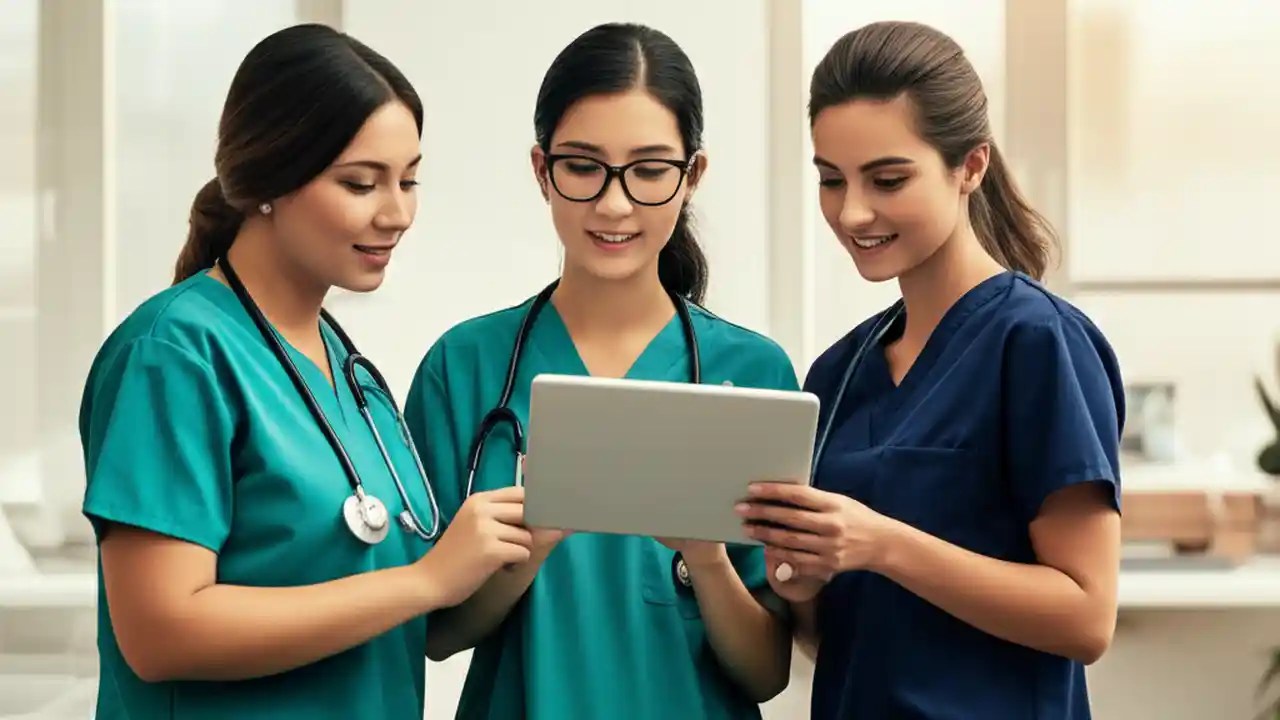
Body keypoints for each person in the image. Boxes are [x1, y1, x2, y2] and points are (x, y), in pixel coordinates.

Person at [77, 24, 532, 720]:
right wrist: (424, 581)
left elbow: (410, 618)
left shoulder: (351, 373)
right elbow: (161, 632)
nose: (398, 213)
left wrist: (518, 546)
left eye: (409, 179)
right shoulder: (174, 354)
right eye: (361, 183)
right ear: (270, 179)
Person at [404, 22, 796, 720]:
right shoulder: (464, 367)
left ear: (692, 175)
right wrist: (531, 546)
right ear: (540, 169)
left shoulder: (752, 373)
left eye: (649, 170)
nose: (614, 204)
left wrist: (705, 559)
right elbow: (434, 631)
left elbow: (766, 671)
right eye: (583, 167)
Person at [735, 20, 1125, 720]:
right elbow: (840, 640)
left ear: (970, 166)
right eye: (831, 180)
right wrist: (800, 584)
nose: (852, 211)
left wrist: (881, 544)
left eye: (887, 179)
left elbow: (1086, 618)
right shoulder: (838, 373)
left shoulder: (1038, 344)